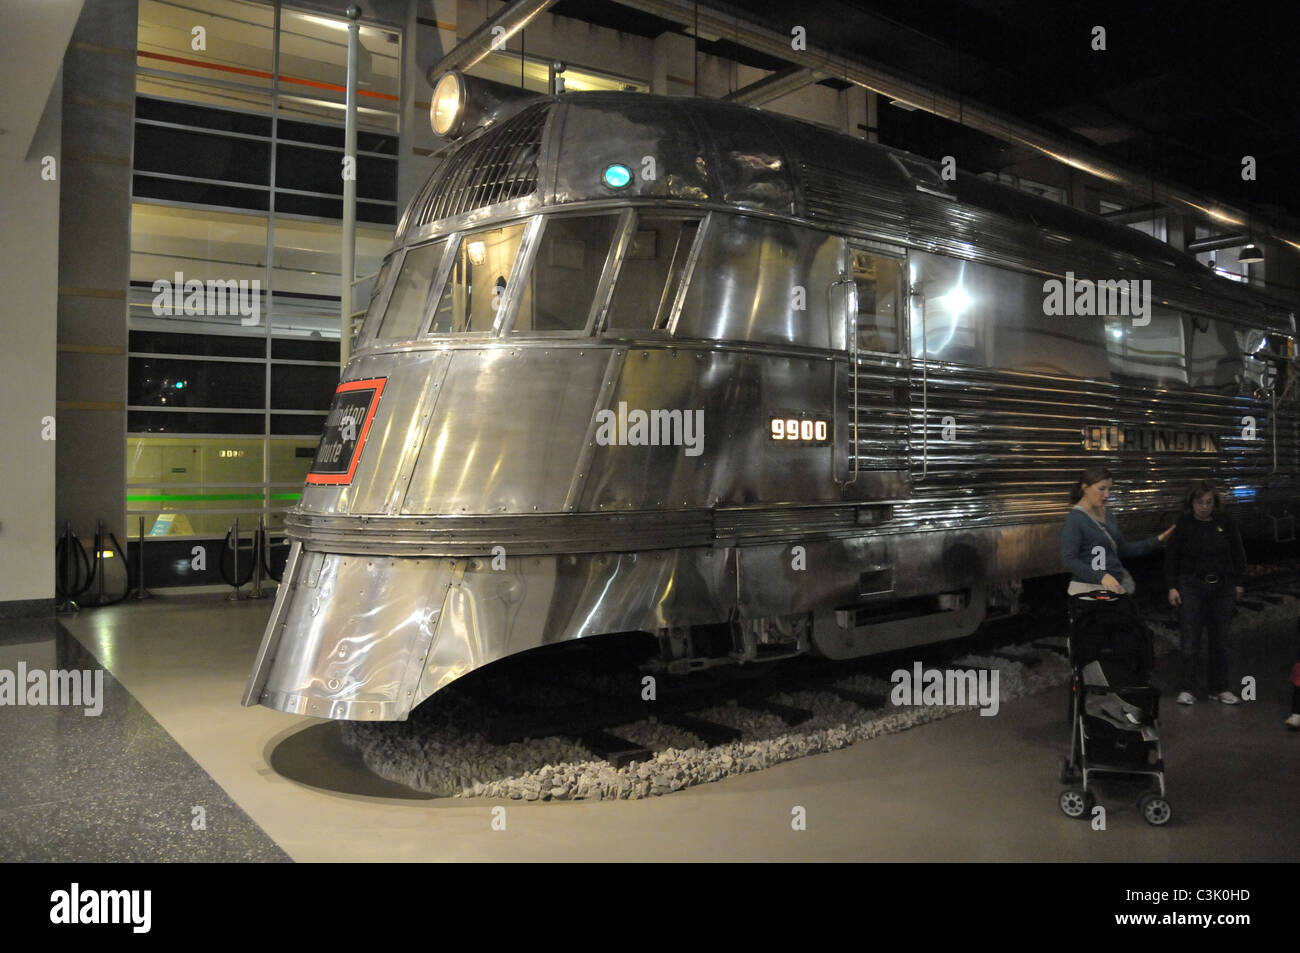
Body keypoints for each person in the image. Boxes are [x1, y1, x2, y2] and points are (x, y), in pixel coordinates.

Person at [1164, 481, 1247, 706]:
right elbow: (1172, 558)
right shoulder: (1184, 525)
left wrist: (1238, 582)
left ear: (1215, 504)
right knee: (1190, 639)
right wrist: (1172, 586)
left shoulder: (1225, 523)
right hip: (1191, 585)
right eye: (1200, 502)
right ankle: (1188, 687)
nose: (1204, 507)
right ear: (1192, 504)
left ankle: (1219, 688)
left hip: (1222, 586)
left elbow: (1238, 553)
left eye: (1209, 502)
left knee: (1220, 640)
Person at [1061, 466, 1174, 596]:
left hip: (1114, 586)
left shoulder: (1107, 513)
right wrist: (1101, 576)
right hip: (1090, 590)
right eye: (1102, 489)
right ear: (1085, 488)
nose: (1107, 495)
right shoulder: (1075, 519)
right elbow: (1069, 560)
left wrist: (1157, 540)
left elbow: (1123, 549)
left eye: (1109, 489)